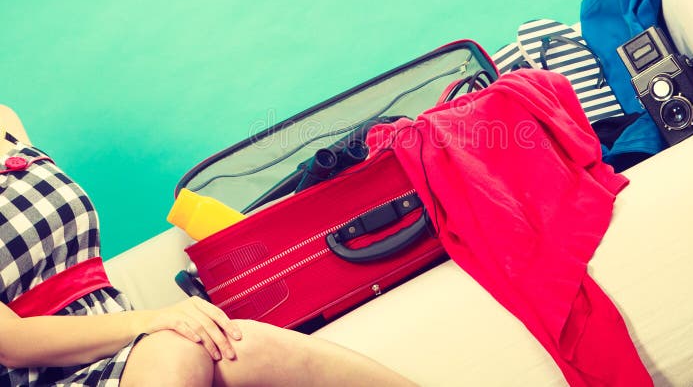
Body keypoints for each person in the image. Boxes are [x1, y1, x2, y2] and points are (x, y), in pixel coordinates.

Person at [0, 105, 416, 387]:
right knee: (179, 346)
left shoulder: (6, 120)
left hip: (117, 340)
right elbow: (11, 345)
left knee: (244, 343)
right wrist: (154, 321)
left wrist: (151, 326)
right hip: (43, 374)